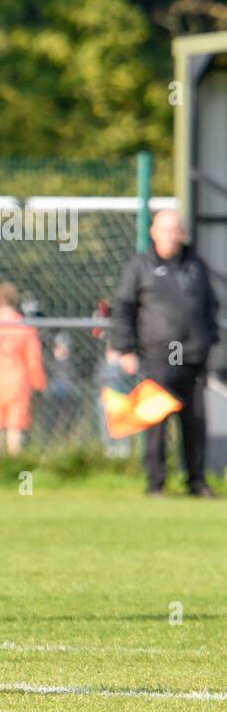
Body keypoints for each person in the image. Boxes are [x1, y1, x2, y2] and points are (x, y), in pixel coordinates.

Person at [112, 209, 220, 497]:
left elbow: (211, 306)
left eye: (176, 230)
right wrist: (124, 348)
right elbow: (123, 308)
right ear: (154, 232)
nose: (172, 235)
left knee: (195, 422)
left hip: (193, 356)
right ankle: (156, 483)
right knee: (156, 421)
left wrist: (210, 339)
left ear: (182, 233)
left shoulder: (195, 265)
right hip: (158, 356)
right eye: (166, 229)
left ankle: (196, 481)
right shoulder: (140, 266)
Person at [0, 282, 46, 455]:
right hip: (19, 384)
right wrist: (39, 384)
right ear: (16, 302)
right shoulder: (25, 328)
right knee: (15, 429)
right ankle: (15, 468)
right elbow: (33, 360)